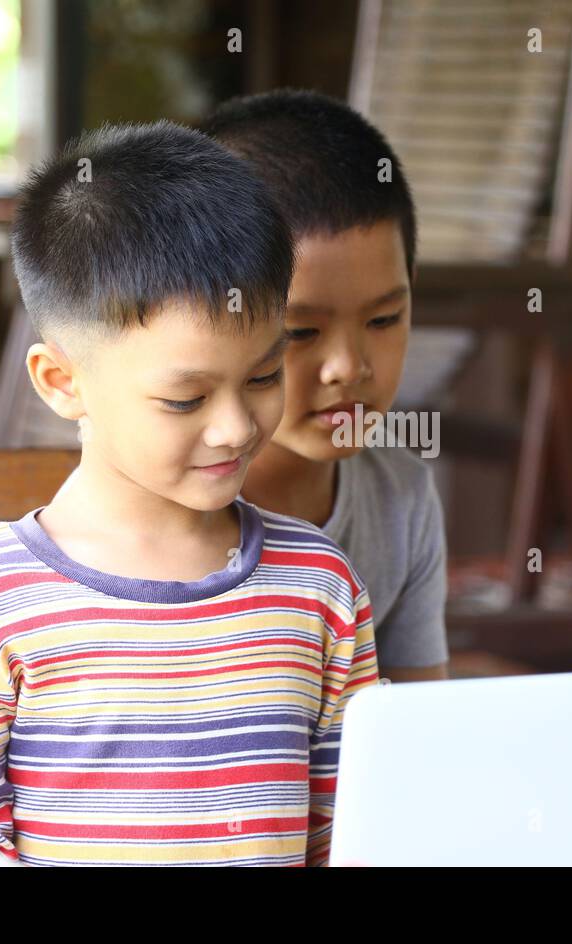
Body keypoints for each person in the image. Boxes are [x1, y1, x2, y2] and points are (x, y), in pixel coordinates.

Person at [0, 121, 378, 866]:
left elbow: (352, 833)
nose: (235, 427)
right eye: (185, 400)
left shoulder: (320, 586)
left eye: (262, 376)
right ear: (62, 382)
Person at [203, 90, 449, 683]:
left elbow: (419, 726)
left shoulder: (401, 499)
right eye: (302, 330)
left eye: (384, 319)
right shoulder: (154, 511)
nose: (347, 367)